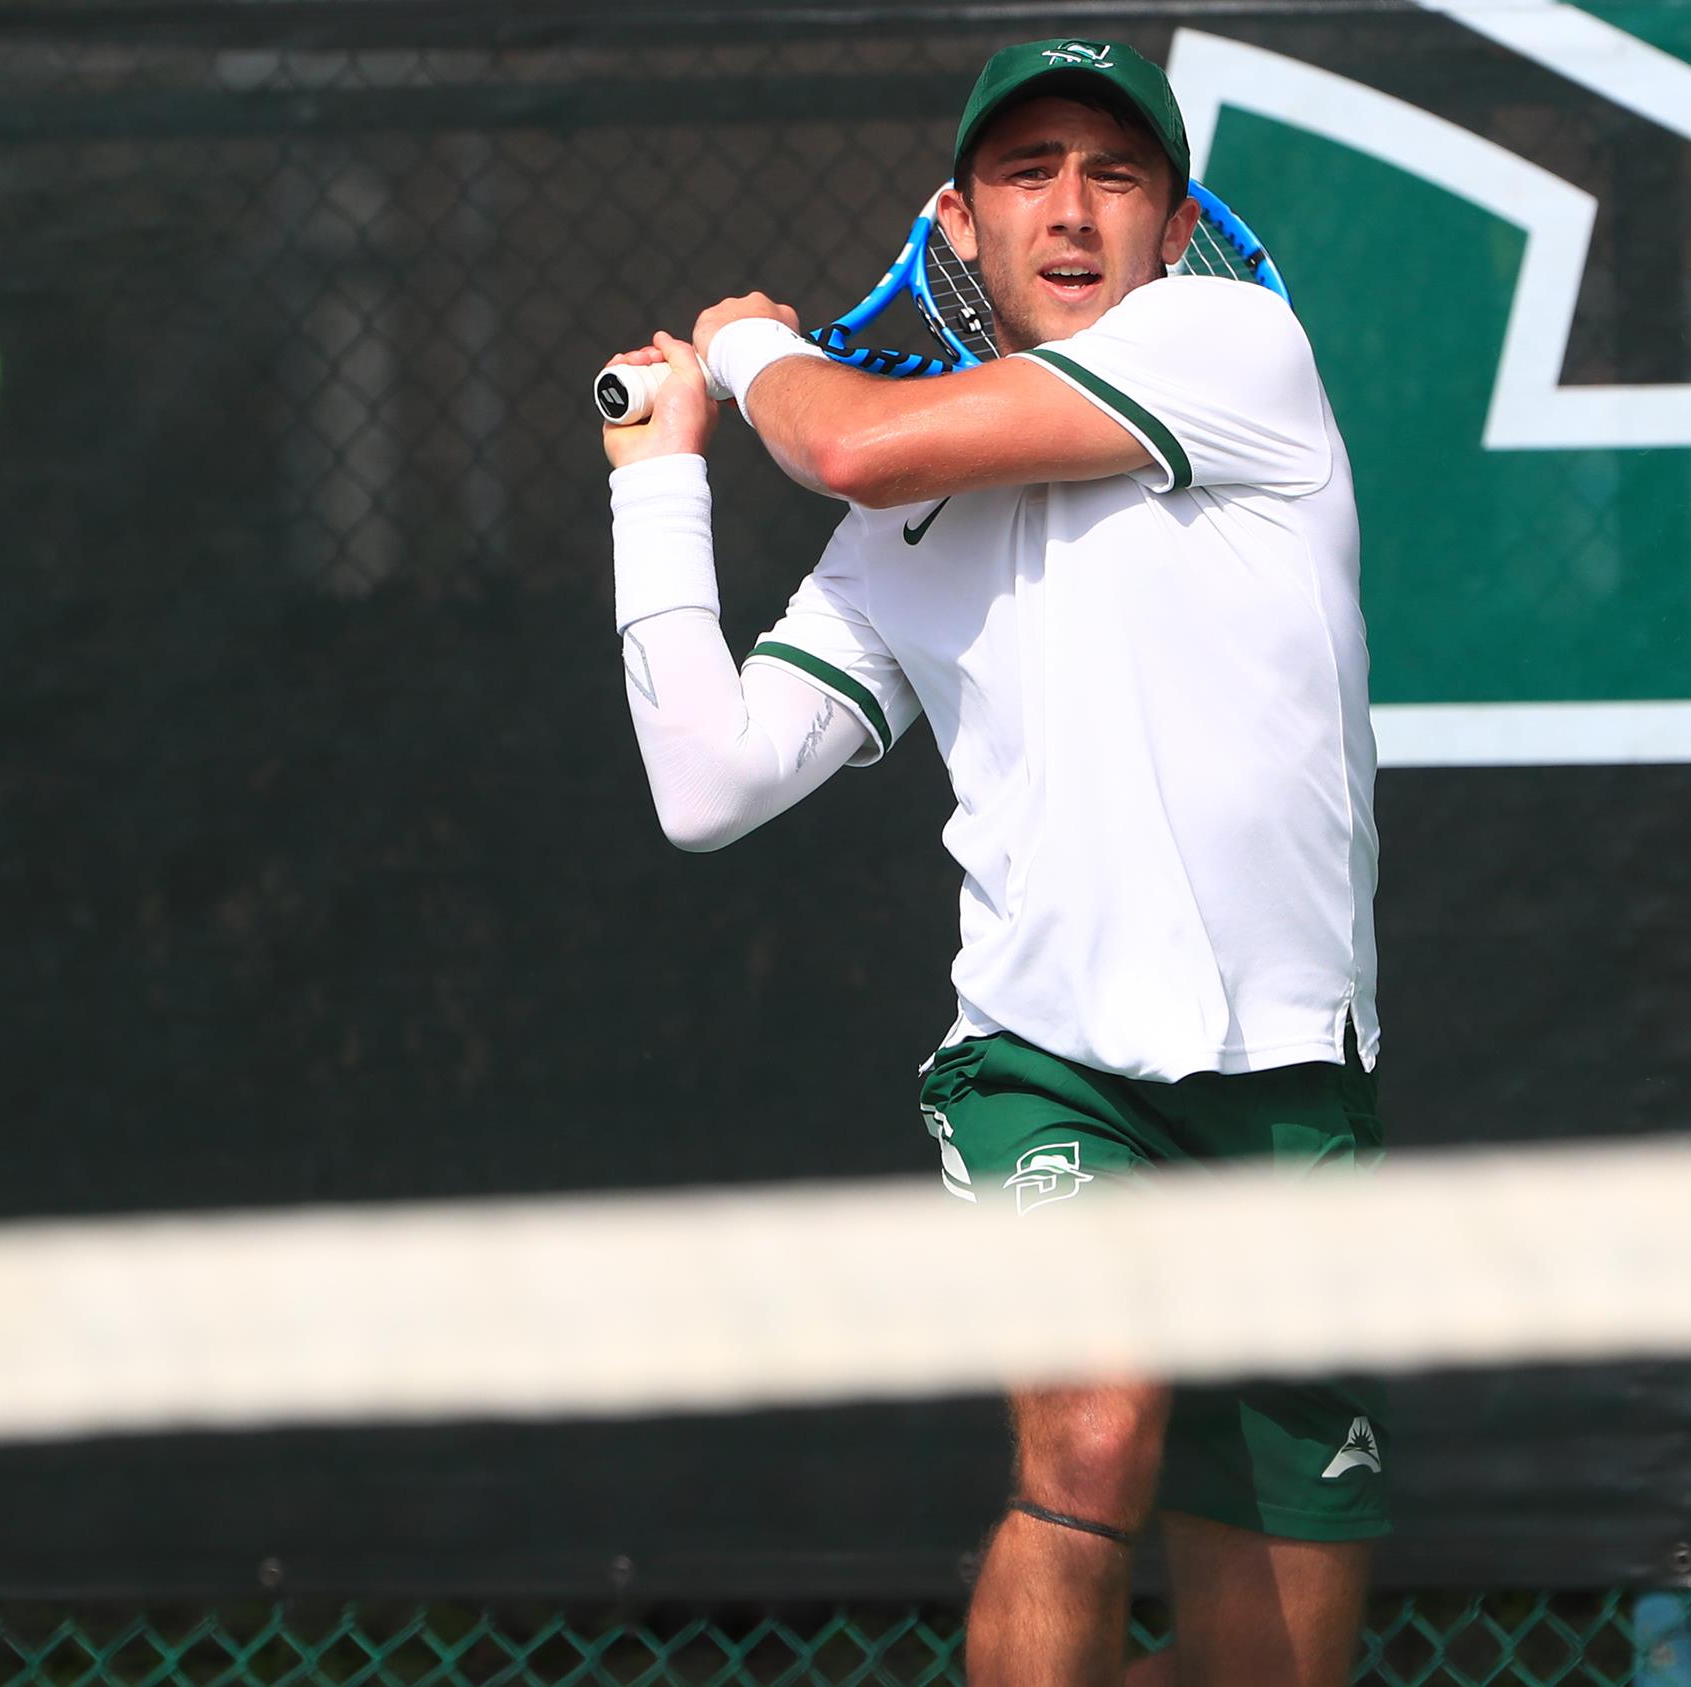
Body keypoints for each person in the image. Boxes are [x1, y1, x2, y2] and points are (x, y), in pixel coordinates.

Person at [597, 37, 1383, 1687]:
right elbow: (708, 781)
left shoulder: (1235, 344)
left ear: (1173, 226)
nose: (1073, 209)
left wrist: (746, 352)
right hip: (1049, 1069)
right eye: (1028, 174)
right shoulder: (907, 536)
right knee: (1091, 1444)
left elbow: (849, 442)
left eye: (1114, 175)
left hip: (1293, 1086)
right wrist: (660, 489)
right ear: (960, 224)